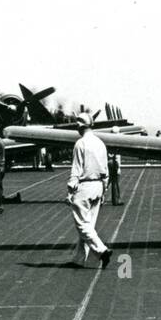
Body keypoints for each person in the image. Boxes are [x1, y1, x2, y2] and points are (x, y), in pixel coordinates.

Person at [66, 114, 113, 268]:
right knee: (89, 224)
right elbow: (105, 170)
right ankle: (79, 259)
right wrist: (104, 189)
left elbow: (76, 169)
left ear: (80, 126)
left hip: (84, 187)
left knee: (82, 225)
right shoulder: (100, 143)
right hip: (98, 186)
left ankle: (102, 251)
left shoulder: (80, 144)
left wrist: (70, 189)